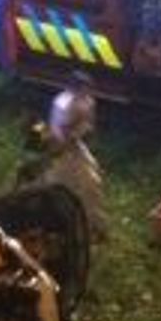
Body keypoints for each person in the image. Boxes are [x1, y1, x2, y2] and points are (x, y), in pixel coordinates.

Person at [44, 72, 107, 241]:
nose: (88, 93)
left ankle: (93, 224)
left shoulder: (87, 100)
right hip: (63, 149)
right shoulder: (64, 105)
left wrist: (85, 133)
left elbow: (89, 124)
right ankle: (68, 223)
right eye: (84, 89)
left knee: (90, 183)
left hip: (75, 146)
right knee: (68, 184)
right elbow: (63, 131)